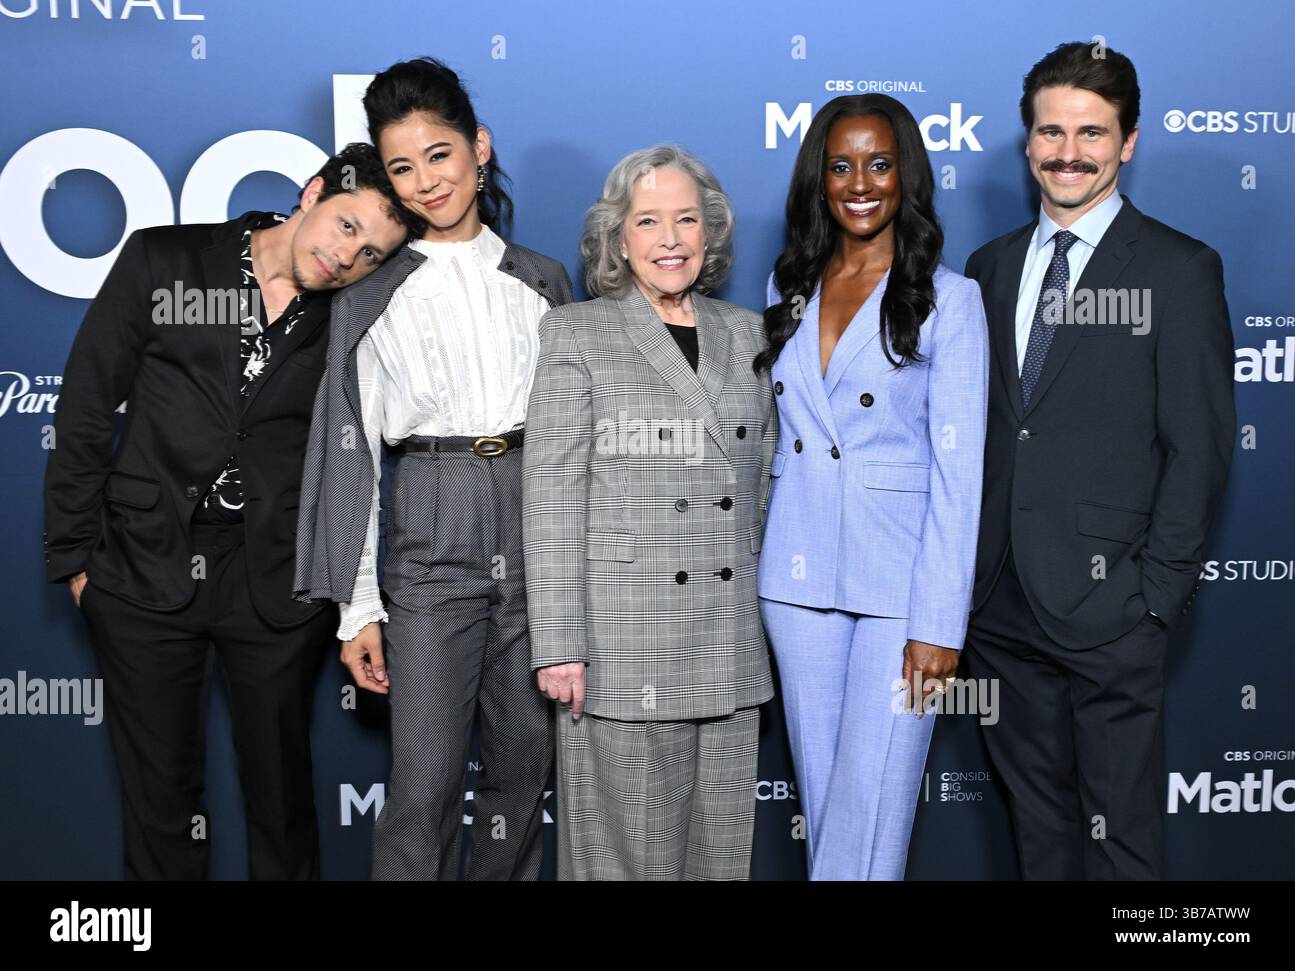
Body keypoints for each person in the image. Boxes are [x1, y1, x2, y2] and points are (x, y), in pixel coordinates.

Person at [43, 142, 417, 880]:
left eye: (373, 253)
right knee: (160, 805)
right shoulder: (164, 260)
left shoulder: (353, 316)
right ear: (312, 193)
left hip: (274, 580)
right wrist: (75, 561)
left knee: (282, 805)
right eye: (347, 227)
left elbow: (358, 451)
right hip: (142, 567)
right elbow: (86, 405)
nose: (350, 257)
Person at [294, 57, 573, 881]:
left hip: (534, 535)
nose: (426, 183)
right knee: (422, 785)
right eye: (403, 168)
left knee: (523, 776)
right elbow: (353, 460)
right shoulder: (370, 294)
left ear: (479, 148)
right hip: (428, 530)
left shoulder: (544, 280)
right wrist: (358, 610)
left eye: (440, 155)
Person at [963, 42, 1235, 879]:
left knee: (1121, 843)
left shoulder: (1178, 268)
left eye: (1091, 132)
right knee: (1038, 835)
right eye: (1050, 131)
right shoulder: (990, 268)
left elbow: (1201, 446)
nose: (1068, 151)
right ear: (1027, 141)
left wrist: (1156, 595)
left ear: (1129, 143)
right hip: (1001, 605)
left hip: (1115, 607)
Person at [524, 145, 775, 880]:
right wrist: (560, 642)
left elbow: (761, 487)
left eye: (687, 219)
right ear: (619, 238)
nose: (670, 238)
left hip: (728, 639)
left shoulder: (749, 332)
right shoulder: (578, 333)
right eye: (648, 220)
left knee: (719, 856)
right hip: (622, 640)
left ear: (710, 232)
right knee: (623, 862)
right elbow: (551, 494)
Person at [756, 95, 988, 880]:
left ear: (906, 176)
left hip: (900, 589)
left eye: (879, 164)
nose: (861, 182)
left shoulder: (951, 300)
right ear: (819, 180)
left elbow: (960, 473)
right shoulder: (786, 286)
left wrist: (940, 623)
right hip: (795, 578)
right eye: (841, 165)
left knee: (873, 813)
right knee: (827, 807)